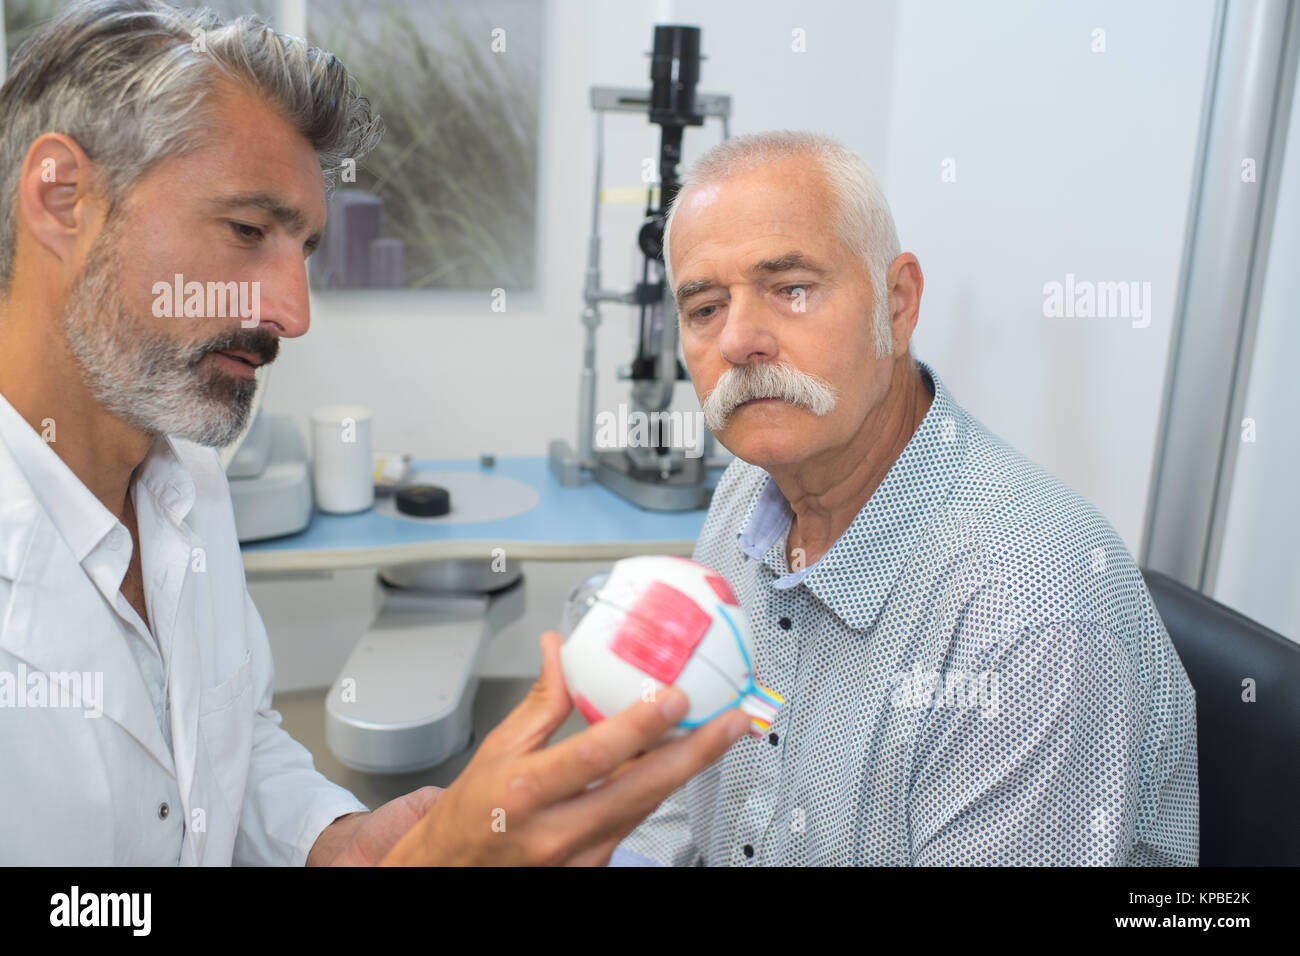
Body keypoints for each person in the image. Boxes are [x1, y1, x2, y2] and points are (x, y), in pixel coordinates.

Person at [0, 0, 752, 866]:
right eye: (247, 231)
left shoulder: (185, 474)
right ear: (62, 198)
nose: (291, 312)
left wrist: (341, 842)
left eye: (304, 248)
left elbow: (222, 748)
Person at [610, 131, 1199, 866]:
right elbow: (685, 791)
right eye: (704, 307)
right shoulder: (746, 494)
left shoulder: (1027, 618)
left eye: (791, 289)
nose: (738, 339)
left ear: (897, 302)